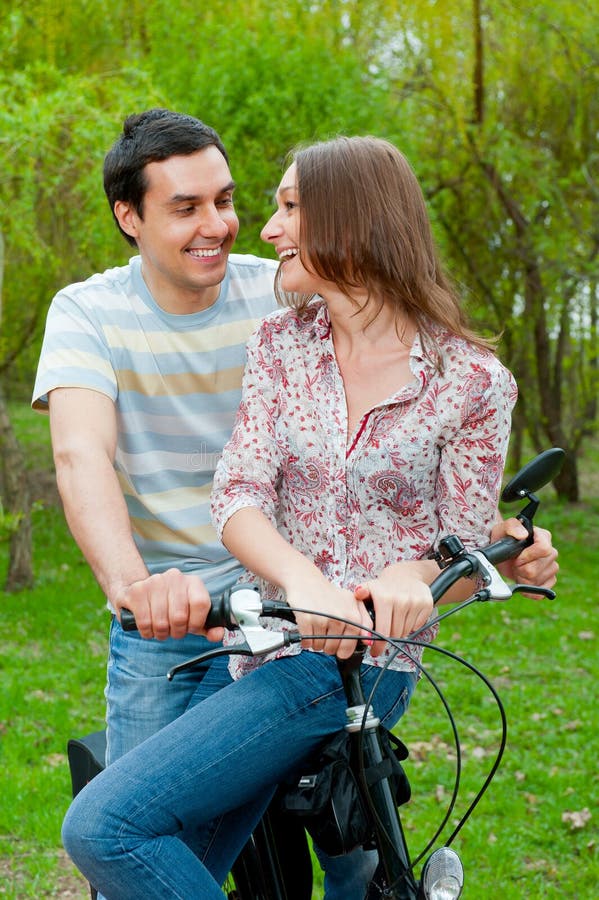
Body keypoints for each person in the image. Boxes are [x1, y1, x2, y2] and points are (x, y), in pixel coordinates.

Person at [61, 134, 558, 900]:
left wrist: (420, 575)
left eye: (287, 207)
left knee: (103, 827)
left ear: (352, 221)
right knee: (166, 856)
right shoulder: (281, 342)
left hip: (359, 665)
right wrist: (302, 580)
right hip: (260, 641)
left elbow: (459, 546)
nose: (260, 227)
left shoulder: (471, 382)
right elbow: (236, 495)